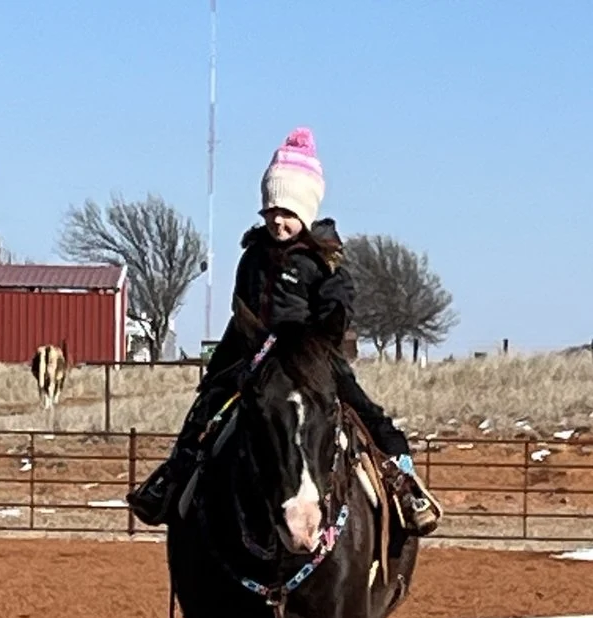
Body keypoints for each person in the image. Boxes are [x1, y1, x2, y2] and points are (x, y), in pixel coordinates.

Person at [128, 128, 438, 534]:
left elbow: (336, 313)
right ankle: (171, 479)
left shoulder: (324, 262)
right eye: (271, 211)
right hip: (250, 353)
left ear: (305, 213)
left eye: (287, 212)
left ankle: (404, 483)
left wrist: (313, 339)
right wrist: (225, 366)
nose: (277, 220)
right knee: (205, 411)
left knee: (366, 413)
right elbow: (241, 309)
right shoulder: (252, 256)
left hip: (309, 356)